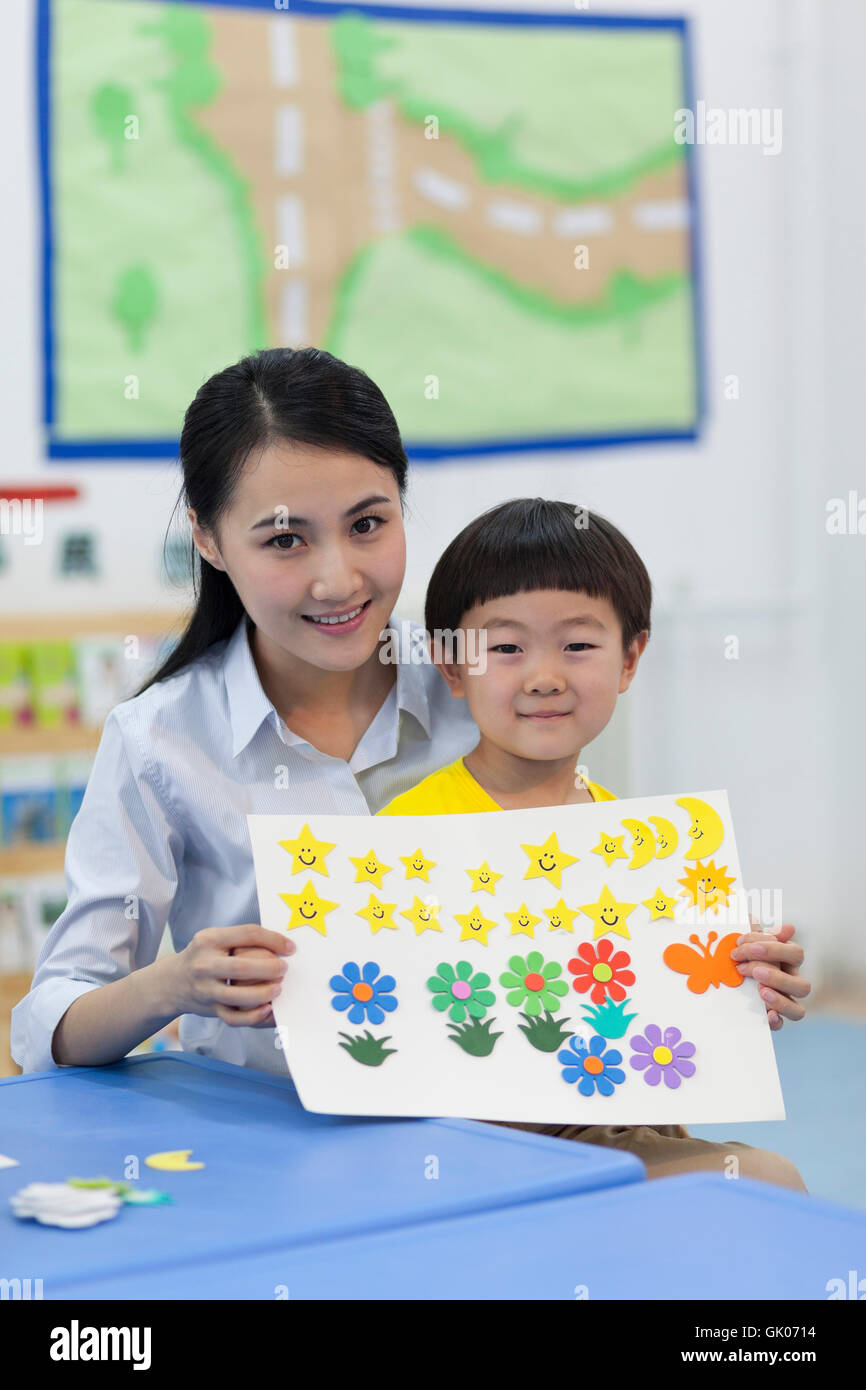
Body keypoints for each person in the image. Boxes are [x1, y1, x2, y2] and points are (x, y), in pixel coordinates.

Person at [11, 345, 482, 1075]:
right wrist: (174, 985)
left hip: (496, 1123)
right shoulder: (158, 740)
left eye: (367, 525)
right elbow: (50, 1033)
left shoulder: (478, 685)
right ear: (208, 539)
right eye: (286, 540)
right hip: (274, 1147)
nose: (338, 580)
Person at [375, 498, 811, 1191]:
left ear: (631, 657)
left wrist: (745, 983)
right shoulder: (407, 834)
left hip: (609, 1129)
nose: (545, 675)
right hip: (458, 1142)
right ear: (452, 667)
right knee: (760, 1180)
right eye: (508, 647)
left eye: (578, 646)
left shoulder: (643, 844)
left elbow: (680, 1013)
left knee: (761, 1182)